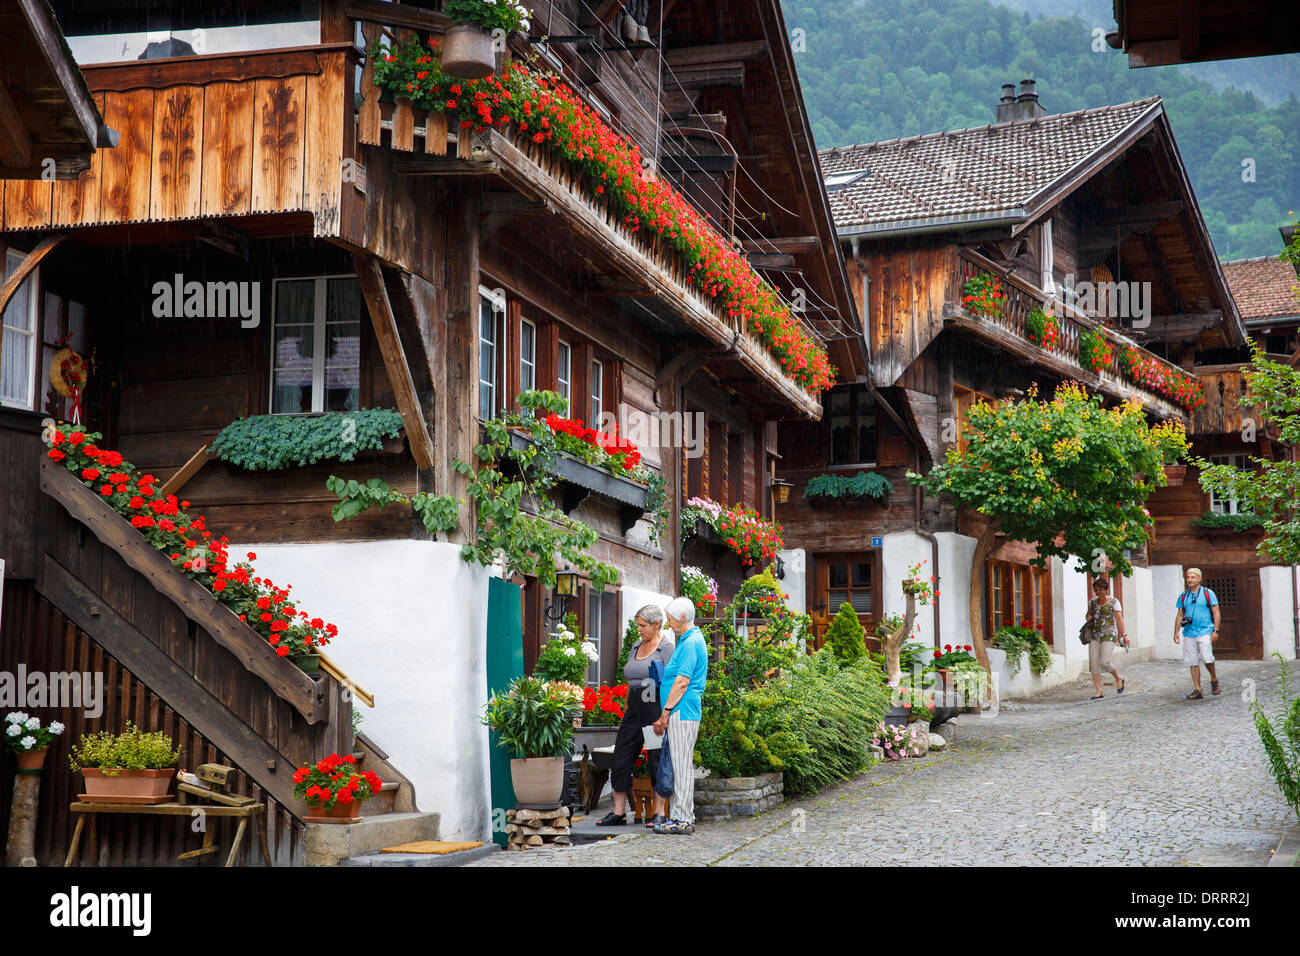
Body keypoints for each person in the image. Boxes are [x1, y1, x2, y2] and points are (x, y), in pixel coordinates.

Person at [596, 606, 674, 827]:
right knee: (621, 756)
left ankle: (659, 812)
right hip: (634, 707)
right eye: (638, 624)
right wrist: (627, 709)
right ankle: (619, 812)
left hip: (654, 707)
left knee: (656, 759)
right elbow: (630, 680)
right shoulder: (636, 646)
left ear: (656, 624)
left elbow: (672, 682)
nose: (638, 629)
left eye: (642, 625)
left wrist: (664, 714)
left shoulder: (667, 649)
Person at [650, 596, 708, 835]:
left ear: (683, 617)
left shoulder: (691, 642)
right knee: (679, 764)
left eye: (671, 618)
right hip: (682, 711)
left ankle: (683, 819)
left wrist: (665, 712)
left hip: (682, 712)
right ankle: (679, 816)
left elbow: (682, 682)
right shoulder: (687, 640)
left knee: (682, 766)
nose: (669, 622)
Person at [1174, 567, 1220, 699]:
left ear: (1199, 579)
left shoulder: (1208, 593)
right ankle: (1197, 689)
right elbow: (1179, 615)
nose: (1189, 580)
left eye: (1192, 577)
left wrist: (1215, 630)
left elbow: (1216, 612)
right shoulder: (1183, 596)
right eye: (1188, 577)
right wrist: (1176, 632)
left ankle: (1213, 678)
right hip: (1189, 632)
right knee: (1192, 661)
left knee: (1207, 657)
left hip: (1205, 630)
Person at [1085, 578, 1128, 699]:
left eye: (1100, 590)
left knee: (1105, 662)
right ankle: (1099, 691)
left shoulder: (1114, 602)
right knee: (1093, 664)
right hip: (1095, 635)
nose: (1097, 592)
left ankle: (1118, 677)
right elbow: (1088, 615)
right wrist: (1088, 616)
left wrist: (1124, 635)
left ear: (1105, 589)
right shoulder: (1092, 603)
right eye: (1095, 590)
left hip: (1109, 635)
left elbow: (1119, 619)